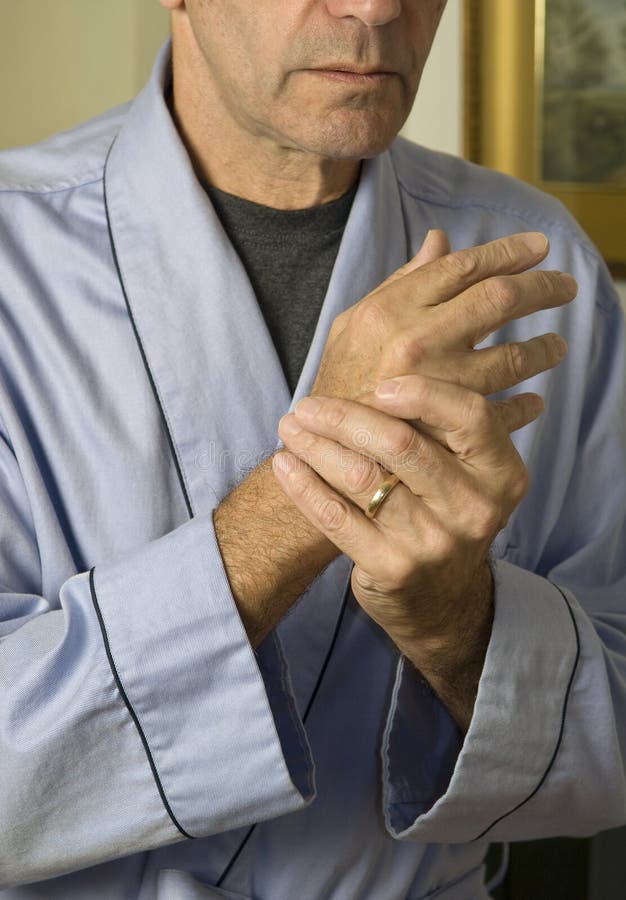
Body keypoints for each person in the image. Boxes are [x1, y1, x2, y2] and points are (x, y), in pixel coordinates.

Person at [0, 0, 624, 897]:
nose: (375, 8)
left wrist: (457, 625)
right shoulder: (16, 254)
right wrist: (315, 492)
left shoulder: (533, 260)